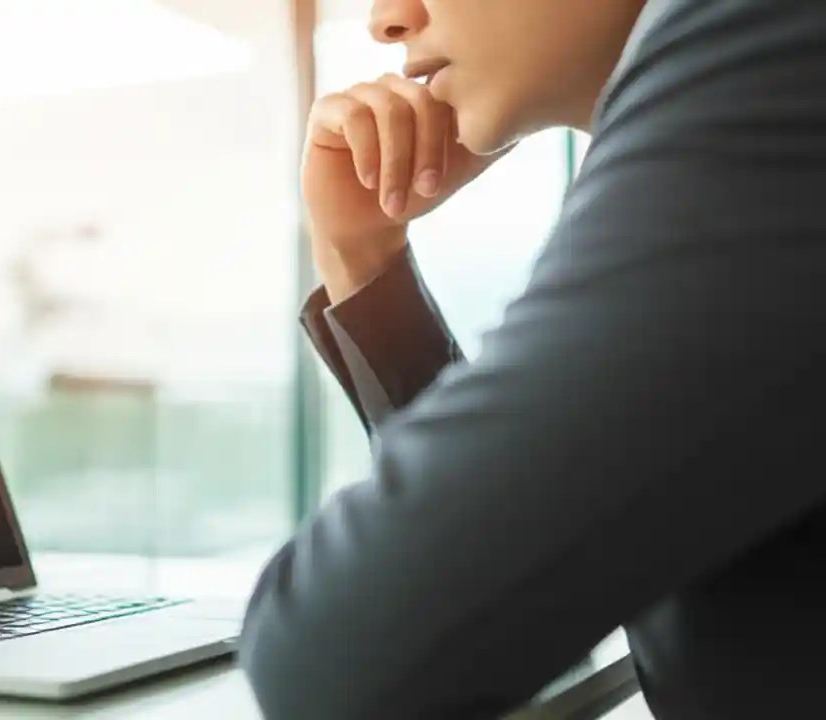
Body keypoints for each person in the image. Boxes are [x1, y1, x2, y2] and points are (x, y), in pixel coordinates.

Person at [237, 0, 826, 717]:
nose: (387, 18)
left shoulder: (774, 49)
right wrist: (363, 256)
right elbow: (501, 607)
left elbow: (333, 656)